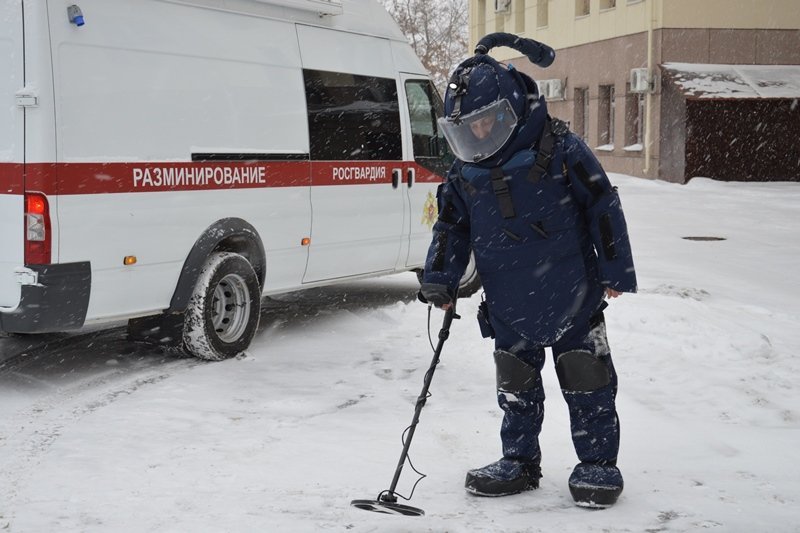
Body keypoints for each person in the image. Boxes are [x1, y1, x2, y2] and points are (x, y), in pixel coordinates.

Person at [419, 46, 637, 508]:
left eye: (485, 122)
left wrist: (616, 270)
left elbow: (603, 206)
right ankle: (518, 461)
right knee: (515, 383)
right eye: (467, 128)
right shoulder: (466, 172)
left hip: (573, 291)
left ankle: (598, 463)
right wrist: (441, 276)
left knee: (586, 377)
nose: (478, 134)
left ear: (510, 111)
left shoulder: (561, 147)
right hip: (507, 299)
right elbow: (452, 225)